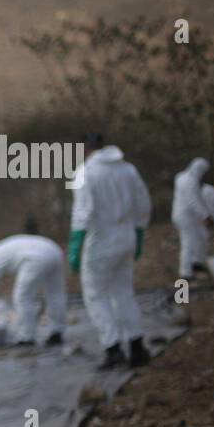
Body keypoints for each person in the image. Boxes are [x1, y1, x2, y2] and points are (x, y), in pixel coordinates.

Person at [69, 135, 152, 369]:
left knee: (96, 295)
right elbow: (144, 203)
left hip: (100, 242)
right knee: (124, 292)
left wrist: (75, 245)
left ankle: (113, 348)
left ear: (86, 148)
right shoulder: (128, 169)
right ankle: (137, 347)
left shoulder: (85, 173)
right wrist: (138, 232)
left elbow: (83, 212)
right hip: (126, 238)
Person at [172, 158, 214, 279]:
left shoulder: (181, 176)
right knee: (188, 242)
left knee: (202, 235)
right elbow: (193, 201)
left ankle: (198, 263)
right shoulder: (190, 181)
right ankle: (185, 272)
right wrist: (206, 216)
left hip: (187, 216)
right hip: (186, 217)